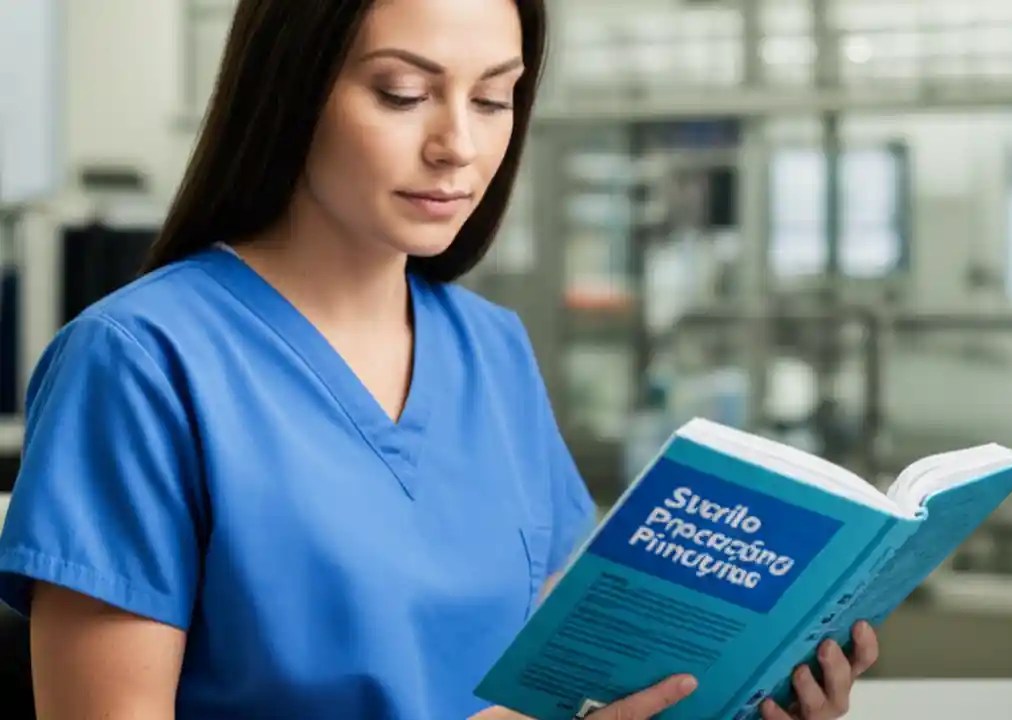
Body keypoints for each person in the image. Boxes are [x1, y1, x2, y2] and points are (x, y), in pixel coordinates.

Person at [0, 0, 879, 718]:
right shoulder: (139, 363)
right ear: (290, 92)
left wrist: (728, 693)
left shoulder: (491, 349)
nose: (458, 145)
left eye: (494, 99)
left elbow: (544, 688)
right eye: (401, 93)